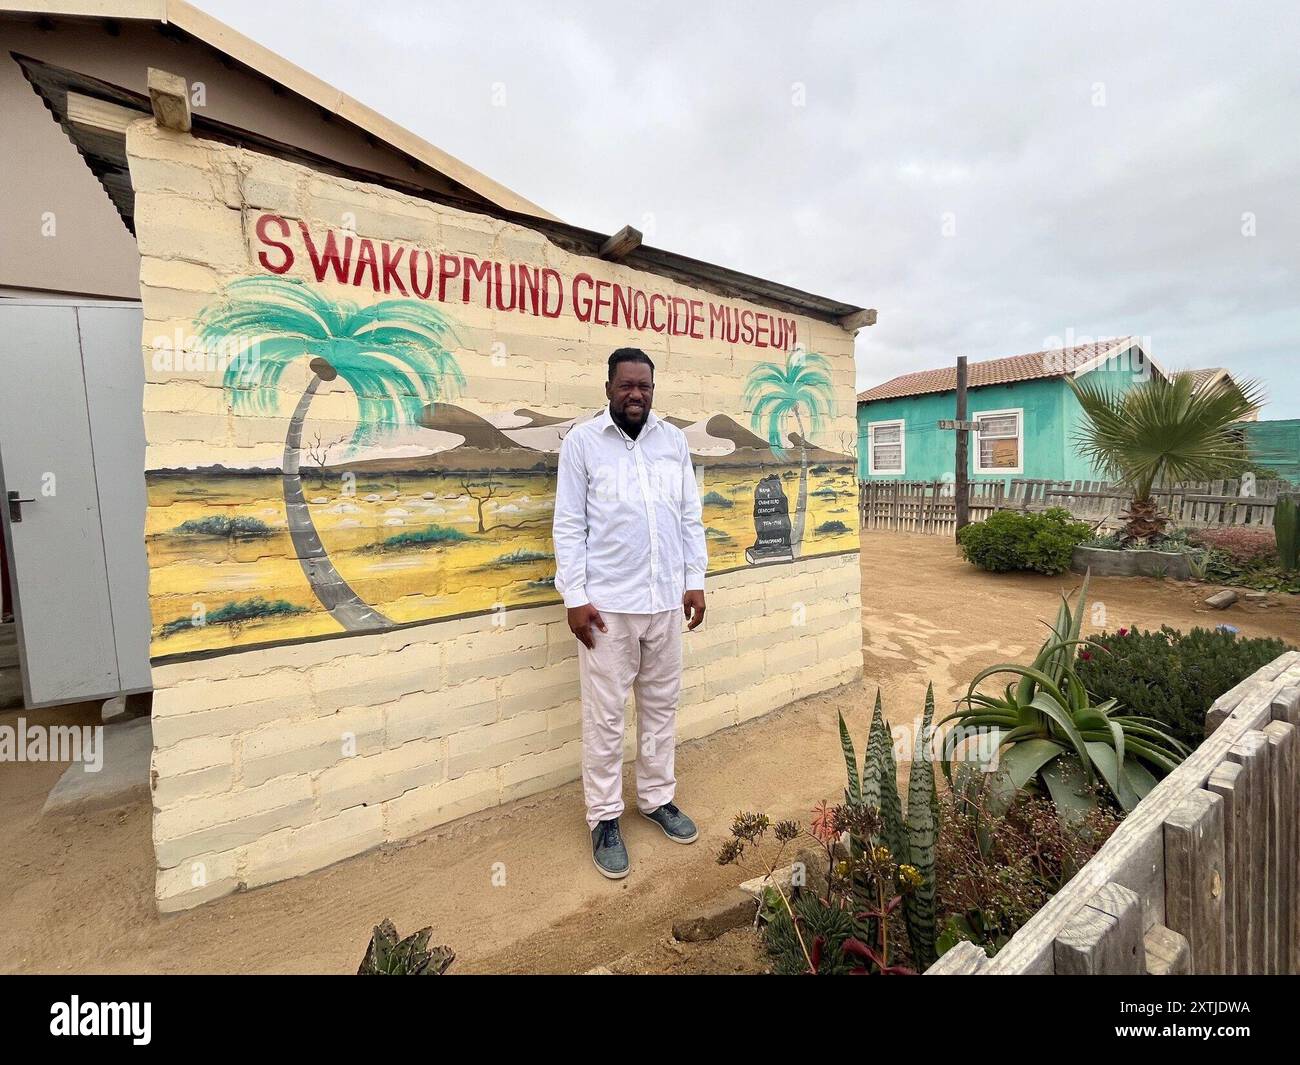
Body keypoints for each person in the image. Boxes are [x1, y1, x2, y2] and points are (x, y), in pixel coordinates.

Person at [552, 347, 708, 879]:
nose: (635, 394)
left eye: (643, 386)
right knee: (606, 716)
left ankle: (657, 798)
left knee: (662, 706)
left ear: (652, 388)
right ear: (609, 388)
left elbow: (689, 516)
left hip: (666, 601)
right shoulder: (582, 444)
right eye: (626, 386)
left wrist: (695, 581)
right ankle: (603, 818)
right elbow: (569, 525)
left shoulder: (674, 441)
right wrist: (574, 597)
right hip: (607, 610)